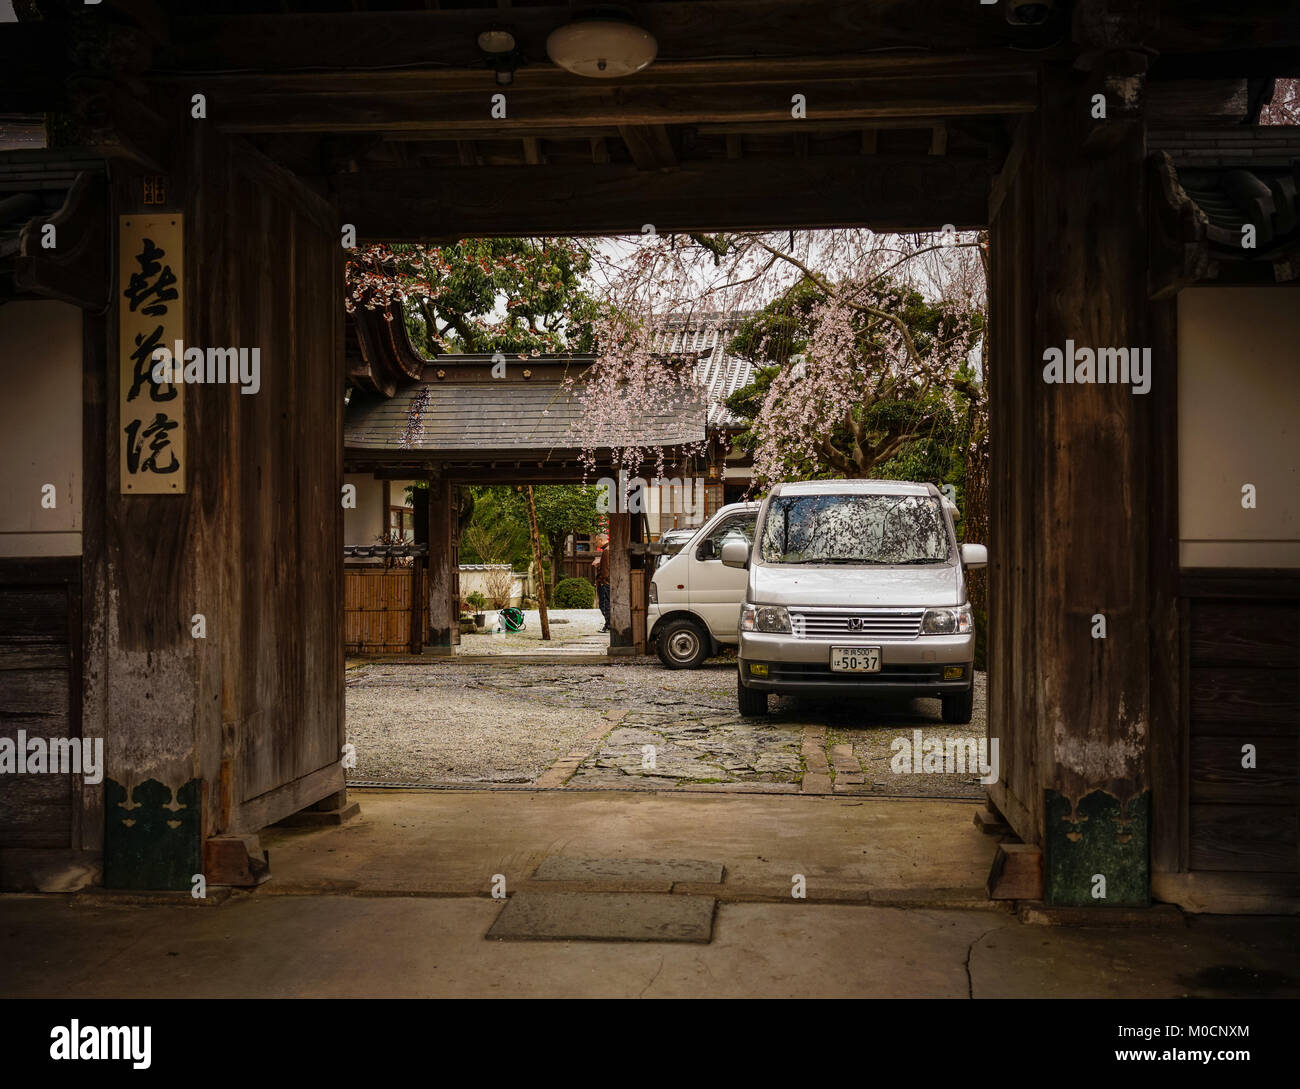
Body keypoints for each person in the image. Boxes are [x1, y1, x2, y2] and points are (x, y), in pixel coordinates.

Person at [591, 533, 611, 633]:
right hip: (606, 581)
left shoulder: (607, 551)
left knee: (604, 604)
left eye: (596, 541)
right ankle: (608, 624)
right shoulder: (608, 549)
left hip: (605, 582)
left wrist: (603, 581)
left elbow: (606, 569)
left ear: (601, 540)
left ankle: (608, 624)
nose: (596, 543)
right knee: (605, 603)